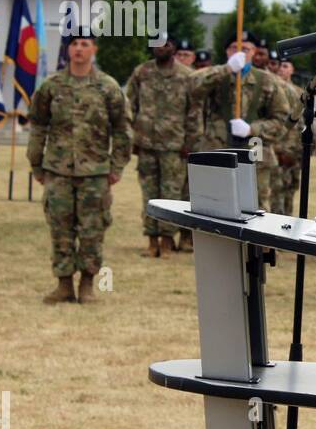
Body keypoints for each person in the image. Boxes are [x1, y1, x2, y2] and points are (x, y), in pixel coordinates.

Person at [27, 25, 131, 303]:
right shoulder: (52, 86)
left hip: (95, 172)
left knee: (92, 230)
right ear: (68, 50)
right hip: (58, 170)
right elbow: (38, 126)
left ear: (94, 49)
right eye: (74, 44)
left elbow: (122, 130)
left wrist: (116, 167)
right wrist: (37, 165)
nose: (79, 49)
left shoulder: (107, 88)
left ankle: (87, 285)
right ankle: (63, 285)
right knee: (60, 228)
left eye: (85, 44)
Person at [188, 34, 292, 209]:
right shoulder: (215, 75)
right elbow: (193, 88)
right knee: (215, 205)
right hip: (218, 149)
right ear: (227, 51)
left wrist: (253, 129)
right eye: (234, 48)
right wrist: (226, 69)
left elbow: (282, 119)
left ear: (254, 52)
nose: (240, 53)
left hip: (256, 147)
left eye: (245, 49)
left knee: (255, 206)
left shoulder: (267, 81)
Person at [124, 35, 199, 257]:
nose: (160, 48)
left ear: (173, 47)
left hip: (174, 147)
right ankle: (152, 240)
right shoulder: (141, 72)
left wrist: (190, 142)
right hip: (146, 144)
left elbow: (194, 113)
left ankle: (167, 241)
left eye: (165, 44)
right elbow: (130, 105)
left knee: (171, 194)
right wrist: (133, 137)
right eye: (156, 44)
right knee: (149, 193)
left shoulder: (187, 76)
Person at [274, 59, 304, 215]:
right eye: (279, 65)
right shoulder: (271, 88)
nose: (281, 69)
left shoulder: (299, 93)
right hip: (273, 150)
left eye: (285, 66)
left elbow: (300, 125)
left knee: (289, 190)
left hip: (291, 150)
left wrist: (292, 151)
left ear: (292, 70)